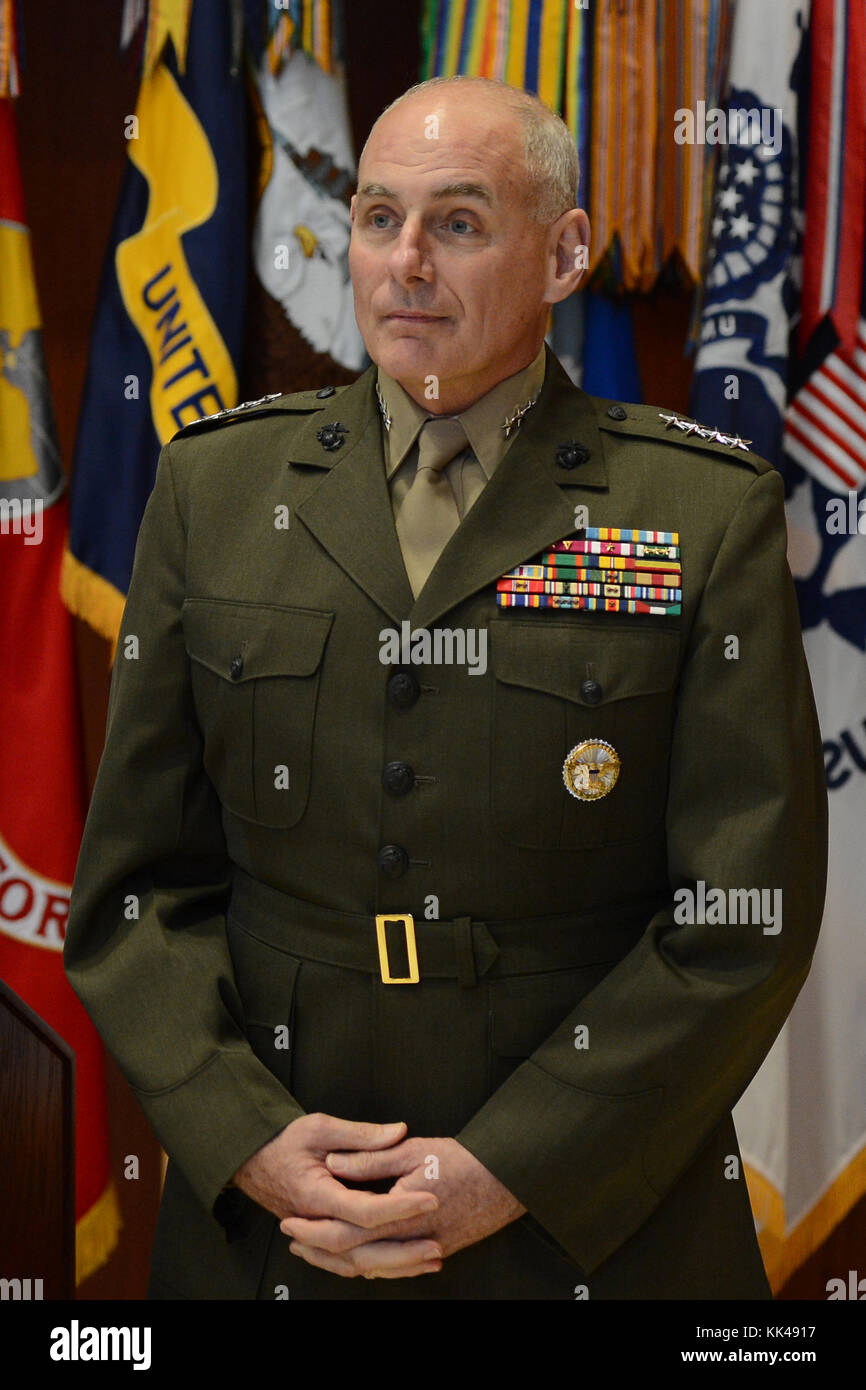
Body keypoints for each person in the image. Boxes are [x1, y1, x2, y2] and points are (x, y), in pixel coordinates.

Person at [63, 75, 828, 1301]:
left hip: (591, 1216)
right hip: (279, 1217)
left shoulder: (697, 514)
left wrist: (509, 1166)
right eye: (376, 218)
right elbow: (136, 891)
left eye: (458, 223)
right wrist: (243, 1137)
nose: (404, 261)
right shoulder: (214, 490)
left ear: (565, 251)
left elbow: (740, 918)